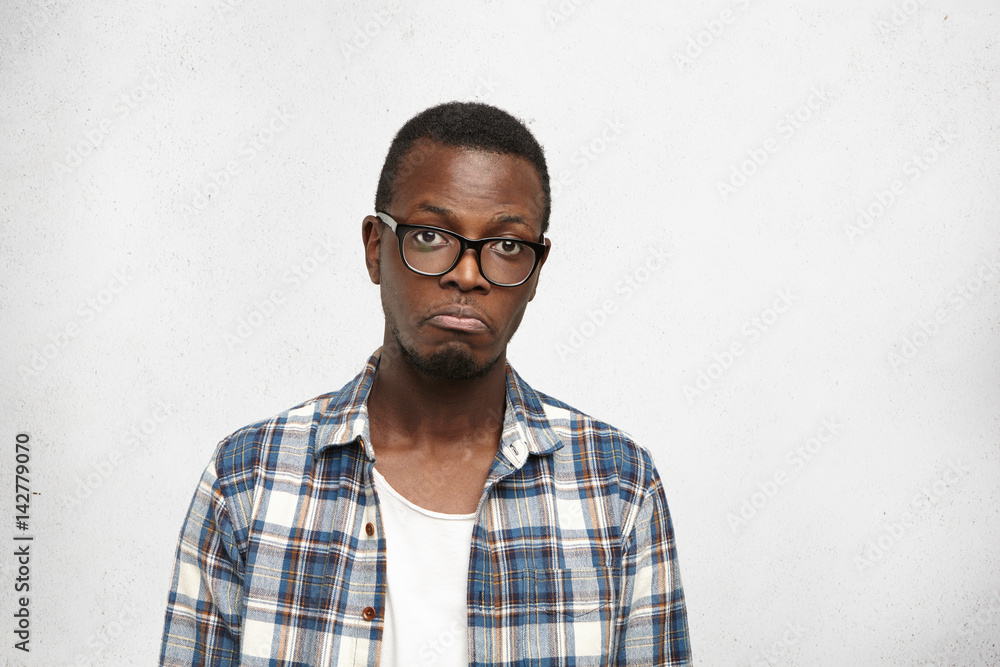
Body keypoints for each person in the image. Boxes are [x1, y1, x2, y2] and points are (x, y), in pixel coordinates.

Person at [160, 101, 691, 666]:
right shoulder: (249, 479)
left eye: (508, 246)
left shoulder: (618, 487)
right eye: (432, 236)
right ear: (375, 248)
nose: (467, 274)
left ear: (537, 272)